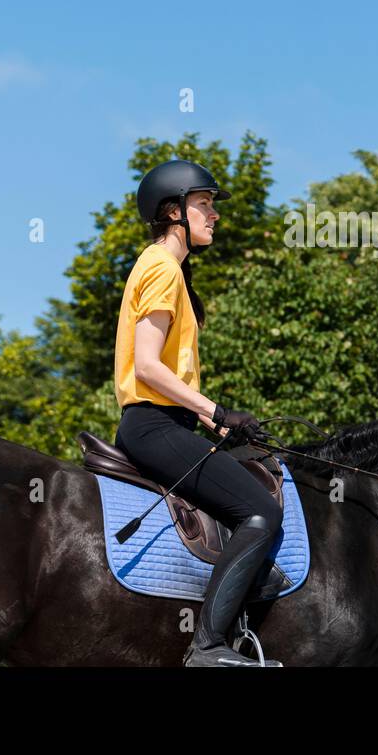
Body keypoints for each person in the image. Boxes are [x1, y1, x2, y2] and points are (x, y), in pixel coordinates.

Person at [113, 158, 285, 667]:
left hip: (168, 422)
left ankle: (247, 572)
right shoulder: (162, 268)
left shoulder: (167, 270)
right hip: (152, 425)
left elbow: (168, 372)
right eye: (204, 205)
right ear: (173, 212)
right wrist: (218, 410)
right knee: (262, 510)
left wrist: (213, 422)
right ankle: (207, 647)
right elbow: (146, 366)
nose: (214, 216)